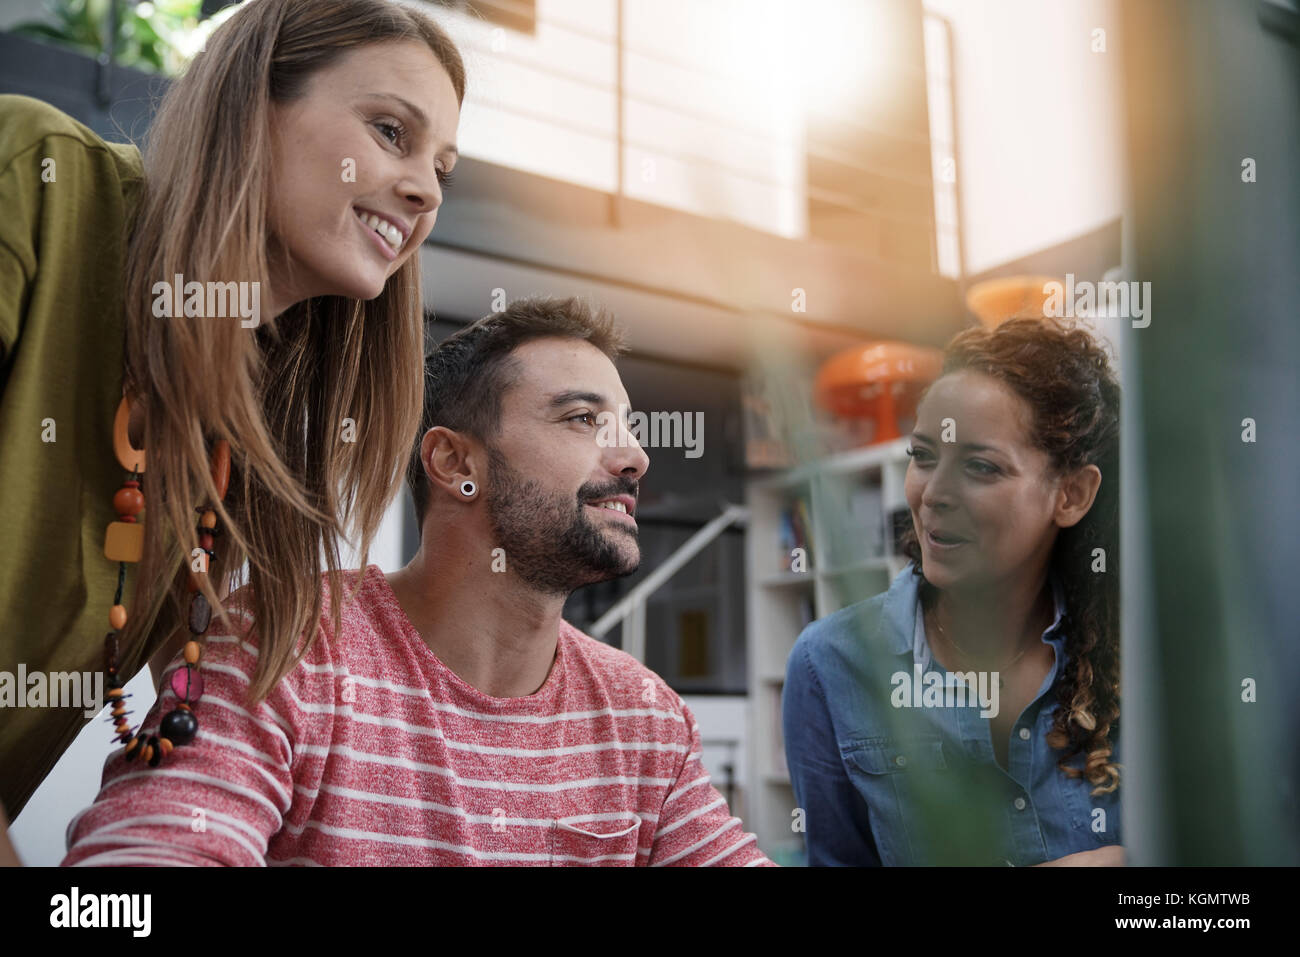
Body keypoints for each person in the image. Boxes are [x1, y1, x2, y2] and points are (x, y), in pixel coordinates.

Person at [61, 297, 776, 866]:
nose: (636, 457)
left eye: (628, 426)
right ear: (452, 461)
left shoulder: (643, 715)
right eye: (584, 418)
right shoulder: (284, 643)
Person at [0, 0, 465, 838]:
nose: (427, 188)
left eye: (445, 169)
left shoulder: (254, 426)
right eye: (392, 132)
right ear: (254, 103)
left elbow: (212, 746)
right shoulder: (34, 180)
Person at [783, 317, 1122, 866]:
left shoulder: (1143, 651)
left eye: (981, 467)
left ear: (1072, 494)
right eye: (923, 456)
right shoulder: (830, 664)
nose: (933, 494)